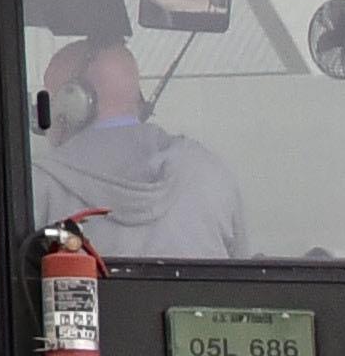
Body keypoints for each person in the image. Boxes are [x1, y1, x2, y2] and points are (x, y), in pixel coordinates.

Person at [33, 35, 252, 261]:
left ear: (73, 101)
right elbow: (244, 282)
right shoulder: (210, 173)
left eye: (51, 98)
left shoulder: (40, 184)